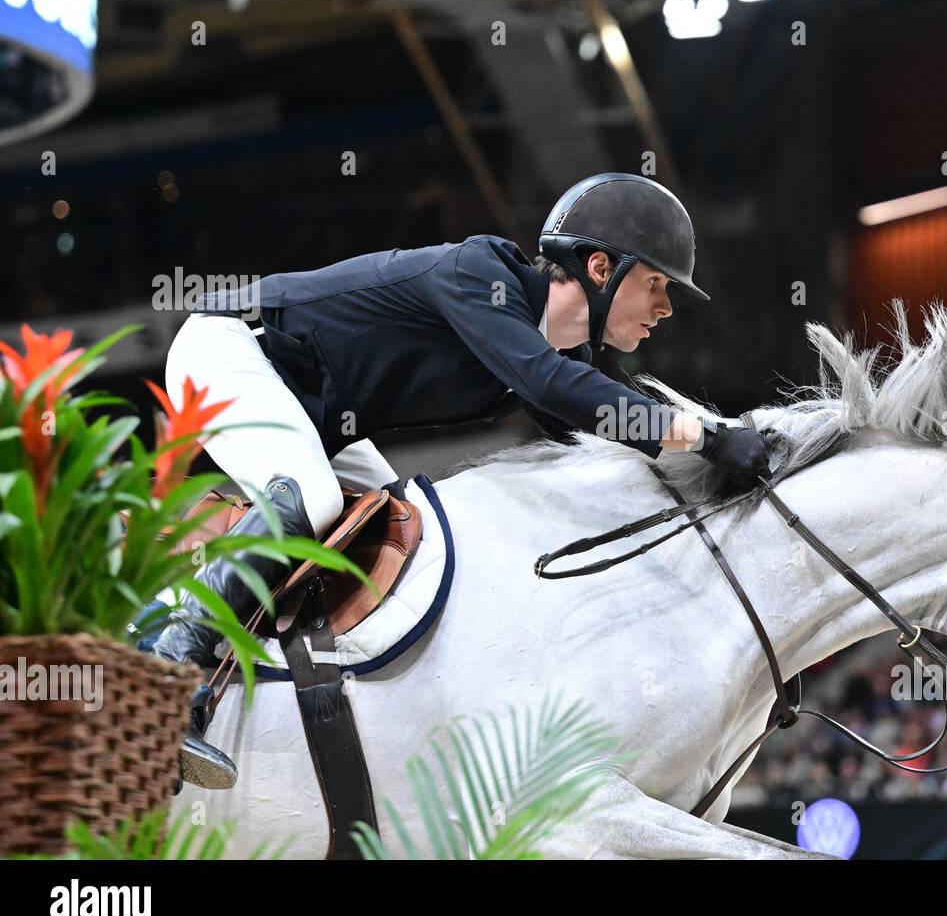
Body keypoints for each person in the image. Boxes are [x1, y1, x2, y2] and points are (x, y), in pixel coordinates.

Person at [151, 172, 770, 788]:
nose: (665, 307)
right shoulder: (483, 275)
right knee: (310, 498)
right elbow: (557, 389)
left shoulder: (554, 359)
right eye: (657, 283)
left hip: (311, 414)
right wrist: (713, 438)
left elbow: (601, 431)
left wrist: (717, 456)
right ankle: (167, 676)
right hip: (233, 348)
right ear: (601, 268)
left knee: (404, 530)